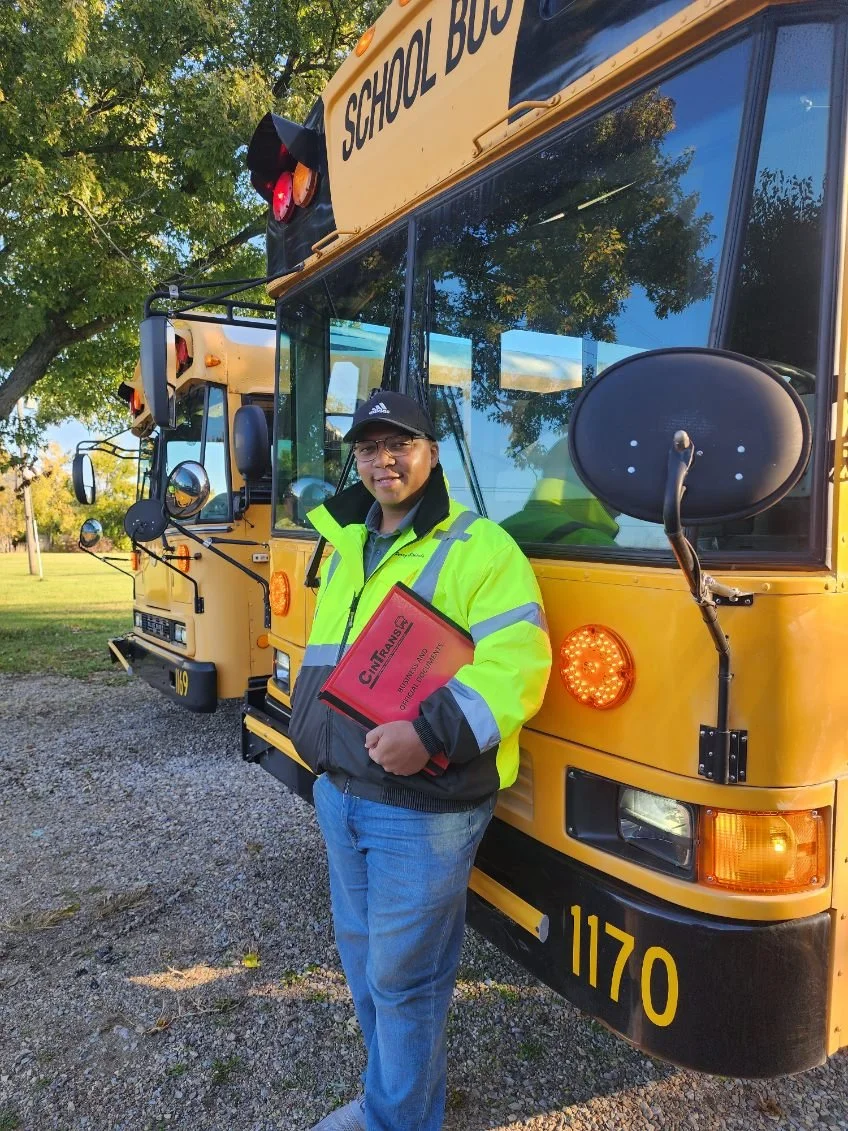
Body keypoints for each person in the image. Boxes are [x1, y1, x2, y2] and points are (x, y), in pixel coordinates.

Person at [288, 390, 552, 1131]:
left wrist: (430, 733)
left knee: (404, 978)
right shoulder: (347, 543)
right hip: (341, 789)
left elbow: (519, 667)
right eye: (369, 447)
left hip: (423, 804)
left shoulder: (481, 548)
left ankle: (393, 1119)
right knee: (366, 962)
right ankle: (396, 1104)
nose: (383, 459)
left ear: (431, 452)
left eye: (399, 442)